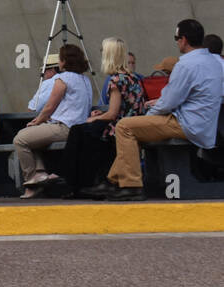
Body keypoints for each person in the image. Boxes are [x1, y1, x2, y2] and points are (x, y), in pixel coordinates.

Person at [87, 19, 222, 200]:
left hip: (185, 123)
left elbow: (169, 102)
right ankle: (113, 180)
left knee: (125, 126)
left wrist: (149, 112)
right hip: (205, 123)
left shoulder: (186, 64)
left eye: (176, 38)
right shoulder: (214, 62)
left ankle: (131, 185)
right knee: (136, 128)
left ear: (183, 40)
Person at [57, 37, 145, 197]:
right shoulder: (133, 78)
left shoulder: (115, 81)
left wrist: (94, 118)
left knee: (79, 131)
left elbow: (112, 113)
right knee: (84, 131)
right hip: (131, 123)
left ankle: (75, 184)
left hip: (119, 128)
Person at [14, 44, 93, 197]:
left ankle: (31, 179)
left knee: (20, 139)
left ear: (64, 61)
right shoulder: (85, 80)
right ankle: (40, 172)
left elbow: (50, 105)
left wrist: (38, 121)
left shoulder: (62, 79)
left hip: (64, 127)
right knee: (33, 137)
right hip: (79, 128)